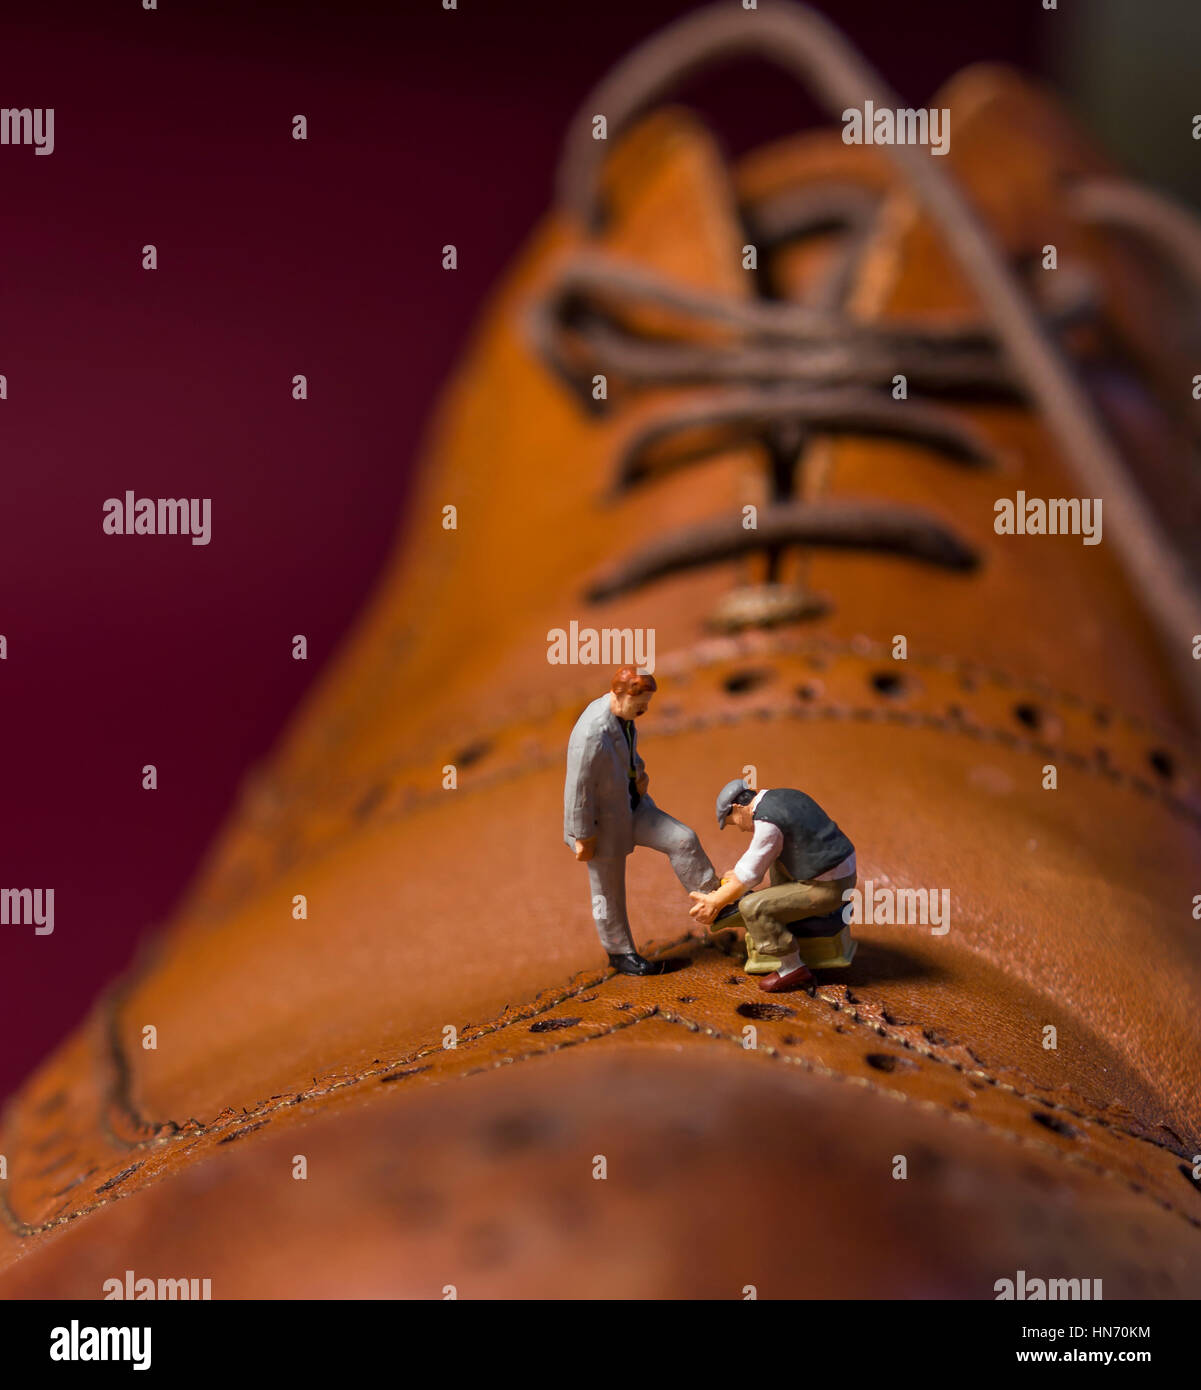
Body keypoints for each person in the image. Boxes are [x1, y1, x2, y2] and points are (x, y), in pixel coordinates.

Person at [564, 667, 719, 974]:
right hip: (602, 825)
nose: (644, 710)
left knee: (683, 839)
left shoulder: (624, 716)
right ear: (620, 694)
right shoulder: (591, 734)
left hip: (633, 807)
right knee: (607, 891)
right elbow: (577, 788)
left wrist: (640, 775)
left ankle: (715, 899)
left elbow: (628, 755)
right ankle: (619, 952)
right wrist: (581, 834)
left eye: (646, 704)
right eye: (640, 704)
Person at [689, 779, 856, 993]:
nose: (740, 828)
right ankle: (783, 908)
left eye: (734, 821)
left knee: (751, 907)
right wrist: (736, 879)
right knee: (777, 857)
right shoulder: (784, 796)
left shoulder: (768, 821)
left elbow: (750, 873)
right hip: (839, 874)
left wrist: (715, 900)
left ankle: (791, 968)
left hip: (828, 888)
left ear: (738, 807)